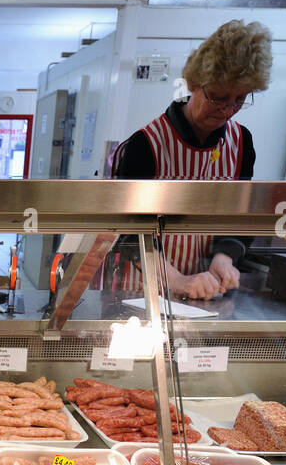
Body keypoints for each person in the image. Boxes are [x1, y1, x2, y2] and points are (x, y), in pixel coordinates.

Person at [110, 20, 272, 300]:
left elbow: (241, 216)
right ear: (195, 84)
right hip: (143, 291)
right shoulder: (146, 144)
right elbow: (128, 234)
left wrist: (225, 256)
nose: (227, 109)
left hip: (208, 291)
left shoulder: (242, 142)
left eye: (239, 99)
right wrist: (178, 280)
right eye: (218, 97)